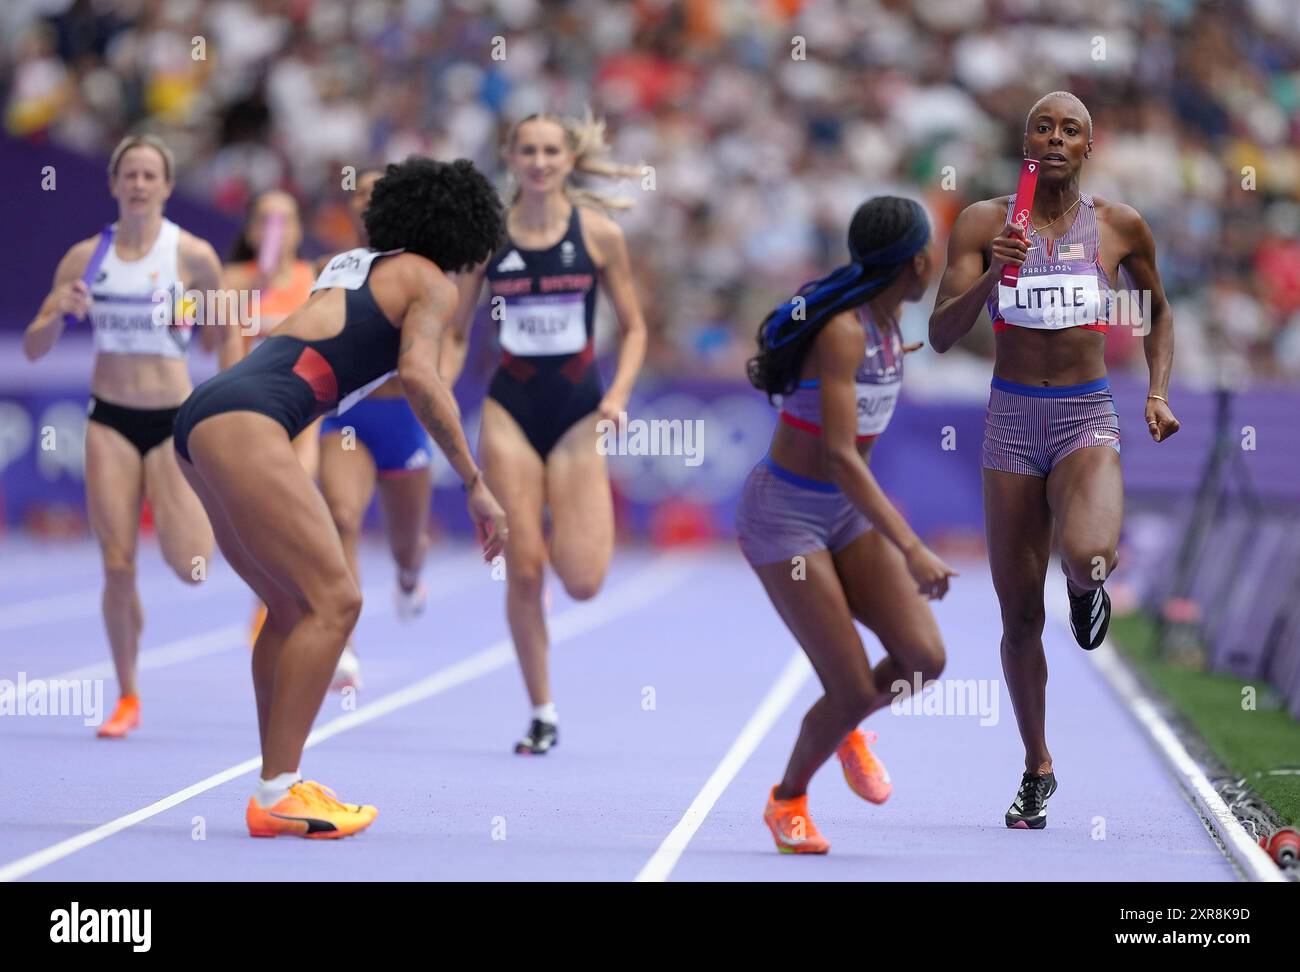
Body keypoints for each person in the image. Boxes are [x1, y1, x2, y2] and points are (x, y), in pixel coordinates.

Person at [171, 157, 509, 838]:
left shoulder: (351, 262)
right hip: (248, 419)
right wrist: (474, 482)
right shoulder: (432, 281)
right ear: (466, 232)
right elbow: (419, 373)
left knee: (289, 606)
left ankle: (276, 783)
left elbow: (296, 347)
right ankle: (280, 792)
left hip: (205, 412)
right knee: (340, 600)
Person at [928, 91, 1180, 829]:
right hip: (1010, 422)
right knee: (1016, 618)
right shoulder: (983, 222)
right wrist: (988, 276)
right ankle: (1037, 764)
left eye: (1072, 129)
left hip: (1085, 415)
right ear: (1027, 140)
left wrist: (1157, 391)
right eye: (1045, 126)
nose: (1056, 137)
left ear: (1088, 148)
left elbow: (1159, 310)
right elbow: (942, 333)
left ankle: (1086, 586)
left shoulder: (1118, 226)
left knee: (1090, 554)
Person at [739, 196, 953, 854]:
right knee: (852, 684)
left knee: (923, 660)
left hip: (844, 514)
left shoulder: (889, 326)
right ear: (917, 262)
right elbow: (838, 455)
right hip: (788, 515)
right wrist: (911, 547)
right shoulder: (845, 333)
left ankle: (848, 724)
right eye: (934, 250)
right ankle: (788, 801)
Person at [440, 112, 647, 755]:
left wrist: (616, 396)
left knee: (583, 581)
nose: (538, 161)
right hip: (509, 408)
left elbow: (636, 329)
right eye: (527, 150)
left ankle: (556, 540)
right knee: (523, 571)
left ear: (567, 158)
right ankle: (543, 711)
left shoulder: (600, 236)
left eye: (550, 150)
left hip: (580, 411)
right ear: (510, 156)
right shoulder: (487, 240)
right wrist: (435, 392)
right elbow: (453, 331)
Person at [23, 133, 232, 739]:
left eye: (150, 176)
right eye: (130, 175)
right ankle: (129, 694)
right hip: (109, 418)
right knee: (117, 565)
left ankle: (205, 515)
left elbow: (219, 340)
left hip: (171, 420)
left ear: (167, 187)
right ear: (114, 185)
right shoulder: (85, 258)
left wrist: (198, 315)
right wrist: (59, 310)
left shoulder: (193, 256)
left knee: (191, 568)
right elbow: (36, 349)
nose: (139, 185)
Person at [318, 168, 439, 690]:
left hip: (404, 420)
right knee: (341, 518)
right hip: (349, 415)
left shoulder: (426, 271)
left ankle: (410, 579)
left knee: (406, 545)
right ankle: (343, 642)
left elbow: (446, 343)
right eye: (361, 197)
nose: (369, 205)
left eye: (379, 196)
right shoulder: (338, 269)